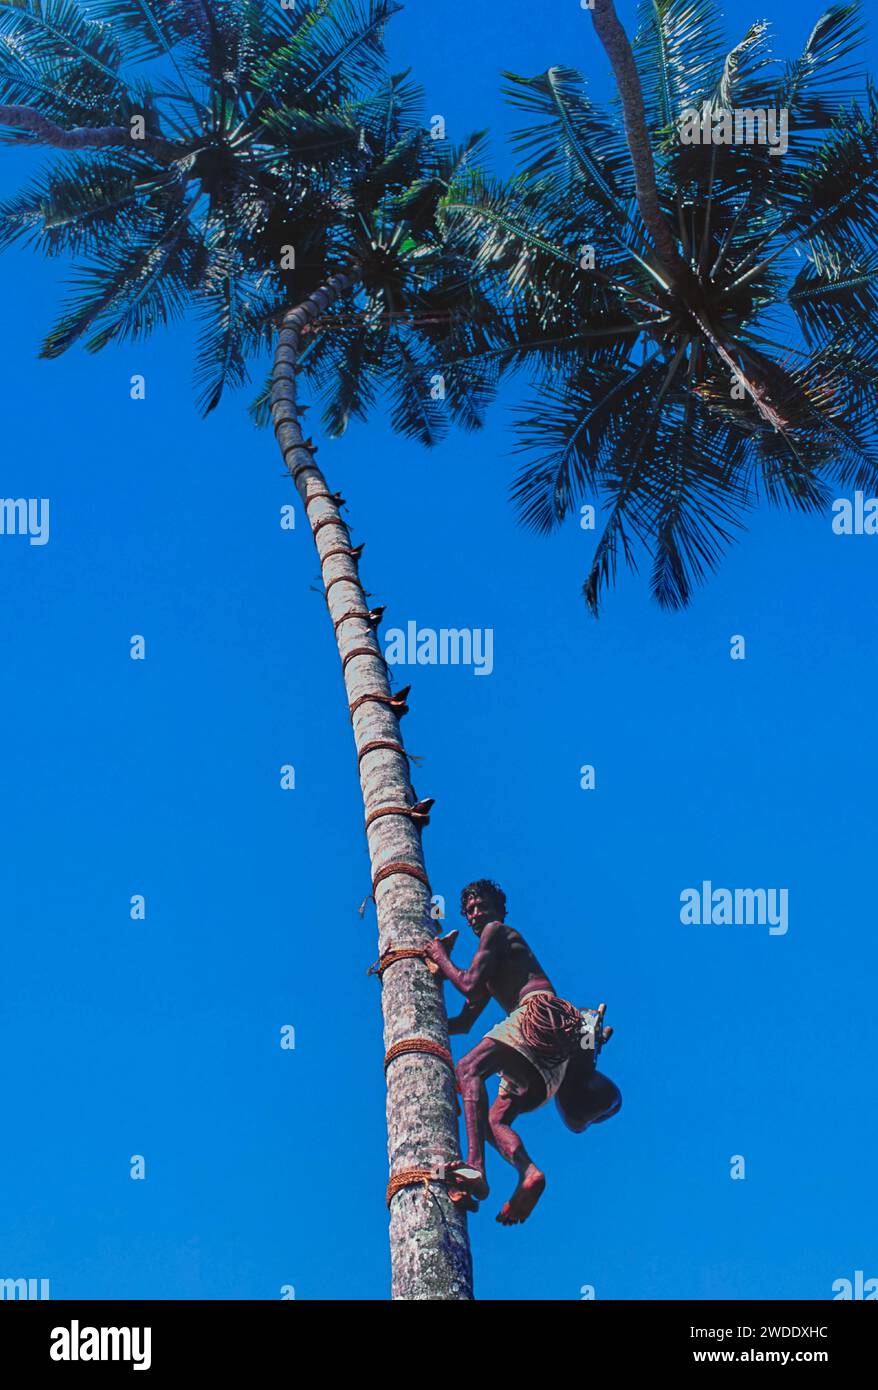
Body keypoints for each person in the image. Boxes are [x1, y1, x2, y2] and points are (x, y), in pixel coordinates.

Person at [424, 879, 621, 1224]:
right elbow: (464, 1021)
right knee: (492, 1120)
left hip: (538, 1016)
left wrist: (440, 957)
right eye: (469, 909)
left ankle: (475, 1167)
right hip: (546, 1056)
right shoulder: (488, 965)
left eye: (481, 905)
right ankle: (528, 1172)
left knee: (469, 1068)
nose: (475, 913)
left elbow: (467, 983)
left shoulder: (497, 932)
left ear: (500, 910)